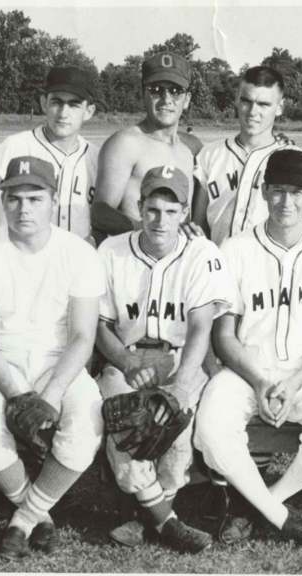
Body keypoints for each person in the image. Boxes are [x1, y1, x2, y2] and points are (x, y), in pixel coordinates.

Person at [195, 150, 302, 552]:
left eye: (297, 192)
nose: (287, 202)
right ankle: (282, 518)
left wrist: (293, 381)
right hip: (247, 370)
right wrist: (263, 380)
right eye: (278, 191)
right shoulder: (234, 249)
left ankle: (260, 505)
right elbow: (225, 338)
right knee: (211, 433)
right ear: (264, 192)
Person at [0, 156, 105, 559]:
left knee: (86, 426)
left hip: (60, 361)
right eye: (14, 198)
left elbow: (82, 336)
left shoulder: (78, 253)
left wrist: (53, 392)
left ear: (53, 201)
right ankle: (42, 517)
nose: (24, 208)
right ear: (3, 201)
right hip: (1, 363)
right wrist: (18, 394)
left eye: (35, 197)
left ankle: (23, 520)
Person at [97, 165, 230, 553]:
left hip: (179, 357)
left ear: (186, 213)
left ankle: (145, 514)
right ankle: (167, 523)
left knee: (176, 437)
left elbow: (201, 328)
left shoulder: (203, 252)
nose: (160, 220)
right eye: (153, 209)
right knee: (124, 423)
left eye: (172, 212)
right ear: (139, 207)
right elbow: (99, 324)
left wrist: (181, 386)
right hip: (129, 357)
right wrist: (124, 361)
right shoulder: (112, 249)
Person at [91, 51, 195, 243]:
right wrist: (149, 230)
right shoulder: (126, 143)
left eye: (175, 91)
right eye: (156, 89)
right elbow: (100, 212)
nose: (166, 99)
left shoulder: (188, 153)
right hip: (132, 256)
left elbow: (183, 217)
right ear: (143, 94)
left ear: (187, 99)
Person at [0, 66, 98, 242]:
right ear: (44, 103)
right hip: (24, 259)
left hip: (78, 262)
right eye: (56, 102)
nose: (63, 113)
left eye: (74, 104)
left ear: (89, 111)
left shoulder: (96, 158)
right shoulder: (14, 147)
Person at [194, 66, 296, 246]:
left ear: (279, 107)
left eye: (264, 104)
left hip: (270, 268)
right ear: (236, 100)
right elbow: (198, 226)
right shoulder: (210, 154)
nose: (252, 112)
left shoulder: (293, 158)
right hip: (219, 265)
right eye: (246, 101)